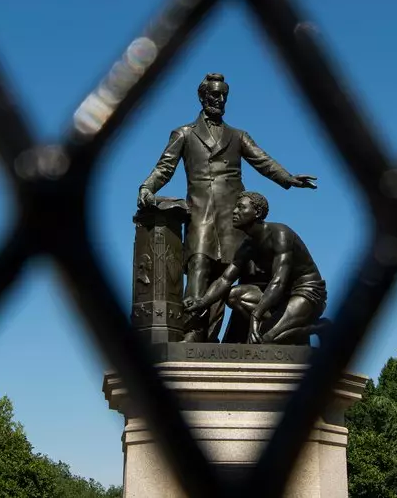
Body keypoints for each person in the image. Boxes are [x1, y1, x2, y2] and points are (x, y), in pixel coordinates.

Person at [138, 73, 317, 342]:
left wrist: (288, 178)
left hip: (233, 217)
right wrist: (147, 187)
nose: (220, 100)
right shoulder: (184, 133)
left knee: (228, 275)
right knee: (198, 266)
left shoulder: (237, 135)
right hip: (200, 212)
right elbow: (165, 167)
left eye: (224, 96)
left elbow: (262, 160)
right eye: (214, 95)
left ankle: (223, 337)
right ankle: (192, 332)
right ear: (202, 97)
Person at [183, 192, 328, 345]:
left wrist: (256, 315)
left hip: (306, 292)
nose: (234, 211)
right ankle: (285, 324)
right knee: (234, 295)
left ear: (257, 213)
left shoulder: (280, 234)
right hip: (278, 297)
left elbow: (278, 281)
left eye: (241, 208)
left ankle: (318, 327)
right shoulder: (247, 245)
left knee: (265, 340)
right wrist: (201, 302)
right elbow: (225, 280)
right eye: (235, 208)